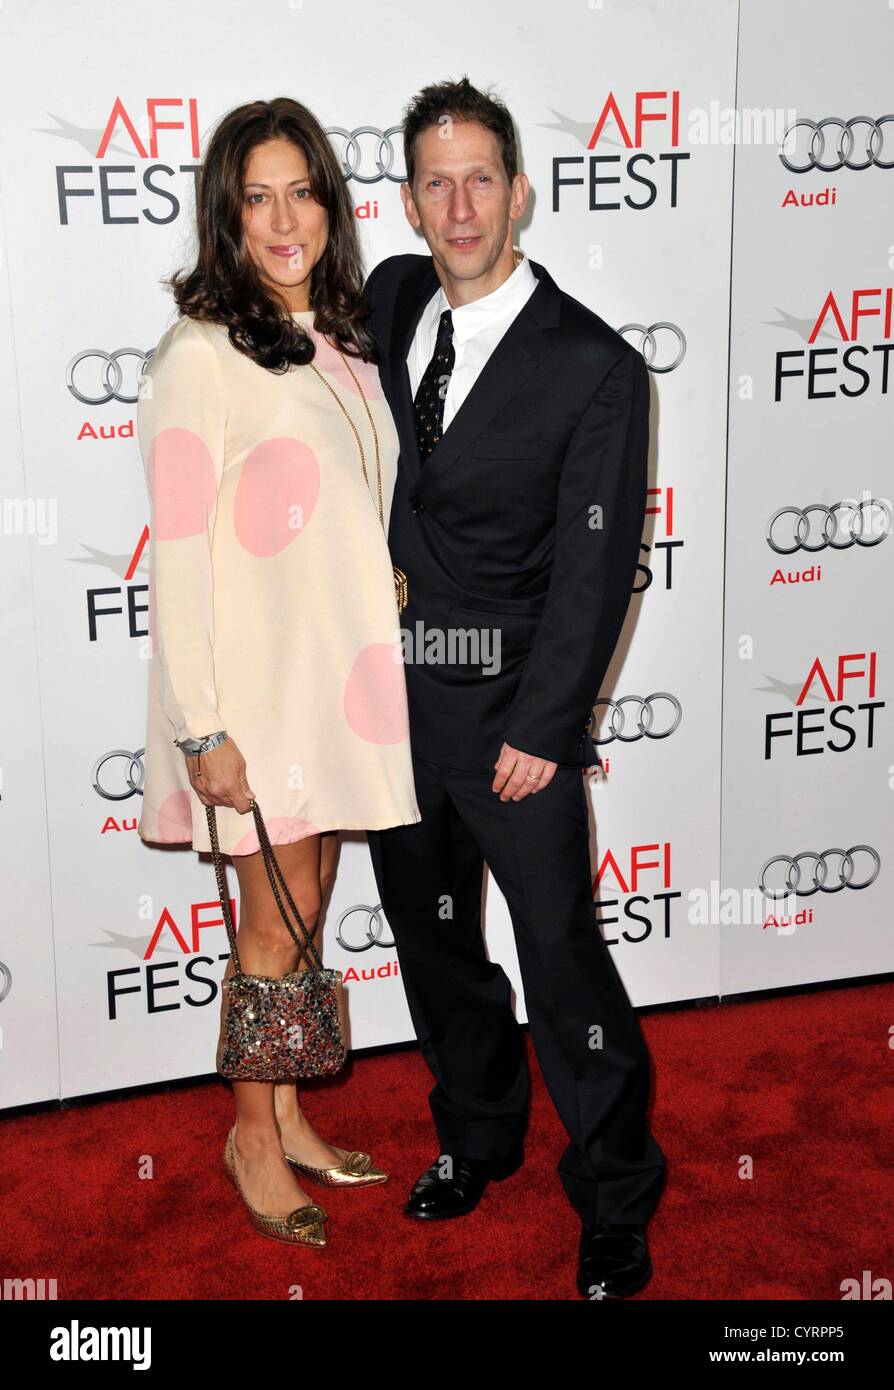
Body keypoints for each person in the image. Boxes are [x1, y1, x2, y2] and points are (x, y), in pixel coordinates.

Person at [364, 77, 666, 1297]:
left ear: (521, 188)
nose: (460, 202)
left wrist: (549, 726)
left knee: (560, 958)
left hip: (514, 717)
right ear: (410, 201)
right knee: (437, 949)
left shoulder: (593, 364)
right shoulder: (389, 299)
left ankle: (615, 1194)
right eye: (436, 181)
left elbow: (600, 570)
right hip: (393, 709)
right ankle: (478, 1135)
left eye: (482, 175)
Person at [136, 97, 420, 1248]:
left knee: (302, 909)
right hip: (254, 696)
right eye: (257, 196)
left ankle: (289, 1112)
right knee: (271, 924)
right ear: (226, 213)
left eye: (302, 188)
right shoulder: (198, 352)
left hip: (330, 684)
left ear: (330, 204)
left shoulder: (344, 340)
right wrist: (204, 729)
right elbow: (182, 557)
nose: (284, 217)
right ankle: (251, 1134)